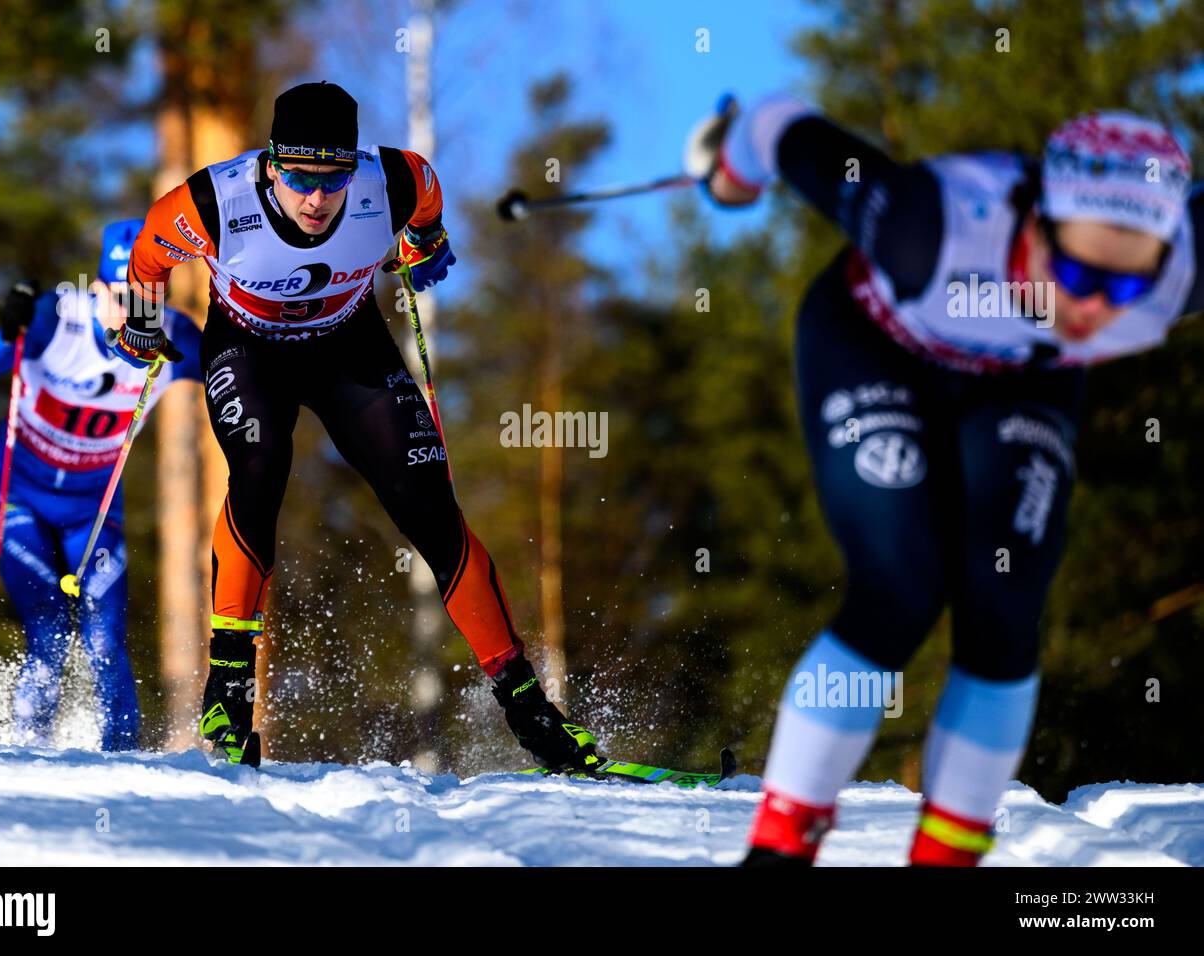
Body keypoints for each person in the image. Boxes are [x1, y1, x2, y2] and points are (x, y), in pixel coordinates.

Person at [686, 98, 1202, 865]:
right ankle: (781, 847)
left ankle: (948, 855)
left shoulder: (1186, 267)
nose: (1094, 306)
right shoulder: (926, 224)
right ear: (1035, 222)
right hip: (876, 348)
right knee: (900, 587)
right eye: (1076, 271)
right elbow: (776, 126)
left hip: (1024, 383)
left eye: (1126, 289)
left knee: (1006, 605)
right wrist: (730, 171)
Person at [112, 81, 600, 770]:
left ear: (354, 167)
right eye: (301, 177)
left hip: (347, 344)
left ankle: (531, 713)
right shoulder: (212, 203)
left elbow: (427, 201)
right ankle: (227, 691)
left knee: (432, 509)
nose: (317, 198)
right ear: (271, 162)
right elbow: (147, 258)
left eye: (334, 177)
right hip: (248, 350)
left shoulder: (393, 181)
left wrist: (428, 244)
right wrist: (139, 324)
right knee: (260, 465)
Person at [0, 221, 202, 750]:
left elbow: (253, 369)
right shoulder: (54, 321)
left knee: (106, 638)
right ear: (98, 290)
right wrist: (3, 338)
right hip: (19, 499)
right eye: (125, 298)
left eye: (151, 299)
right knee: (50, 631)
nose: (138, 314)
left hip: (94, 511)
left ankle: (124, 762)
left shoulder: (175, 338)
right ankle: (27, 749)